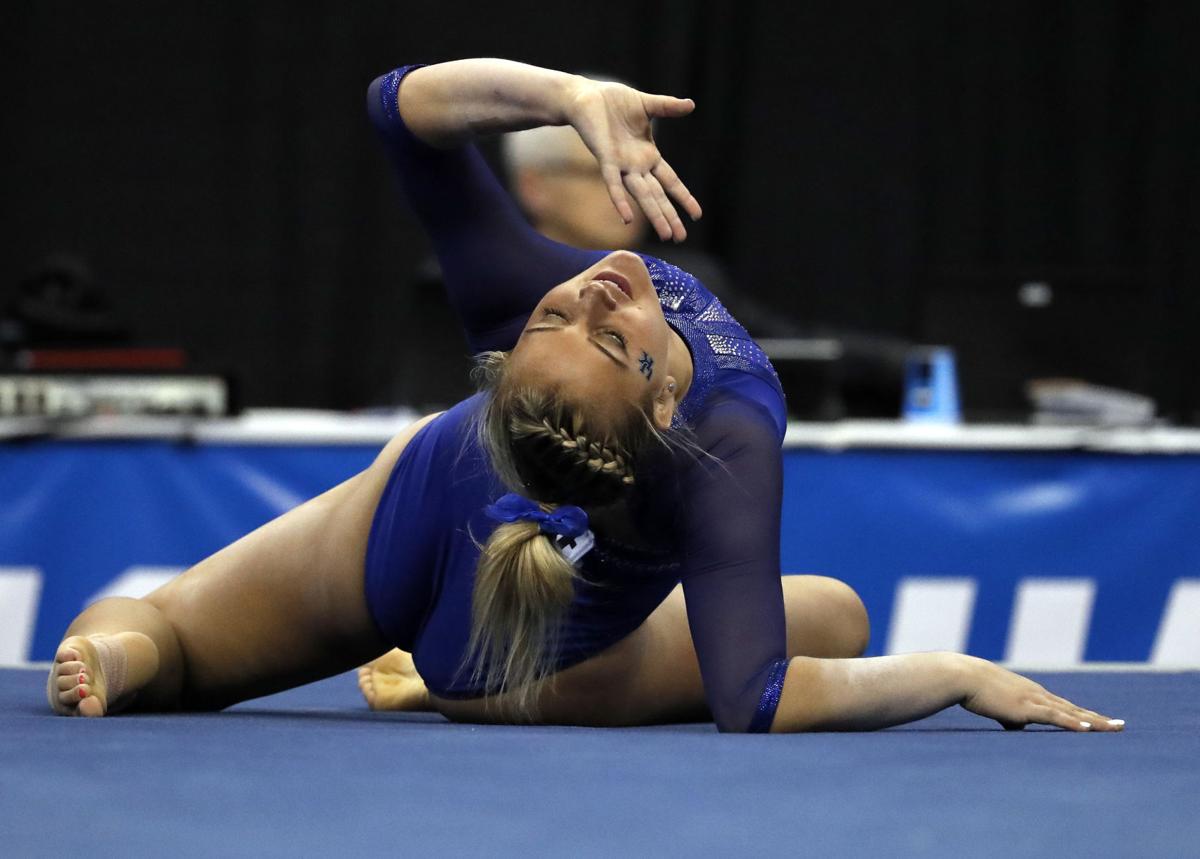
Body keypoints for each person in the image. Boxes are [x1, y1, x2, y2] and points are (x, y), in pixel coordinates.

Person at [46, 59, 1122, 735]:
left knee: (178, 633)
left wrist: (560, 96)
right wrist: (956, 670)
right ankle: (139, 661)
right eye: (589, 329)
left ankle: (159, 653)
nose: (597, 292)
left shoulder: (576, 335)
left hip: (452, 567)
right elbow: (756, 694)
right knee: (836, 614)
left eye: (591, 329)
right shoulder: (729, 436)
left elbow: (398, 111)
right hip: (525, 659)